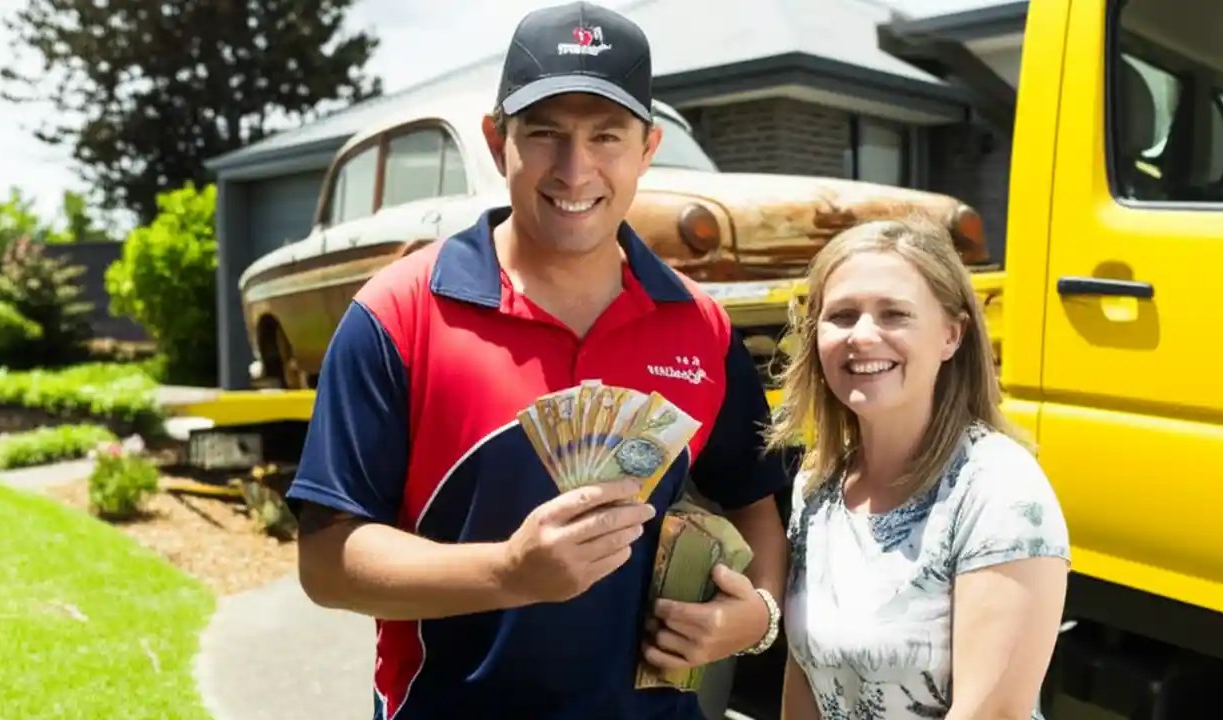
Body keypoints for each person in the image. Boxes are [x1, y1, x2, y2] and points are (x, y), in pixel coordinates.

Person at [284, 2, 789, 718]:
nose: (575, 169)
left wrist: (756, 616)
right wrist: (509, 573)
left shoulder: (699, 325)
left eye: (605, 135)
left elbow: (755, 504)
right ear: (498, 142)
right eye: (544, 133)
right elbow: (327, 563)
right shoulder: (397, 315)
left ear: (648, 148)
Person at [764, 217, 1071, 719]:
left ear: (952, 335)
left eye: (894, 314)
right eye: (841, 315)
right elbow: (805, 676)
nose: (862, 336)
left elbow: (992, 714)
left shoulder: (997, 489)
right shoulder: (816, 485)